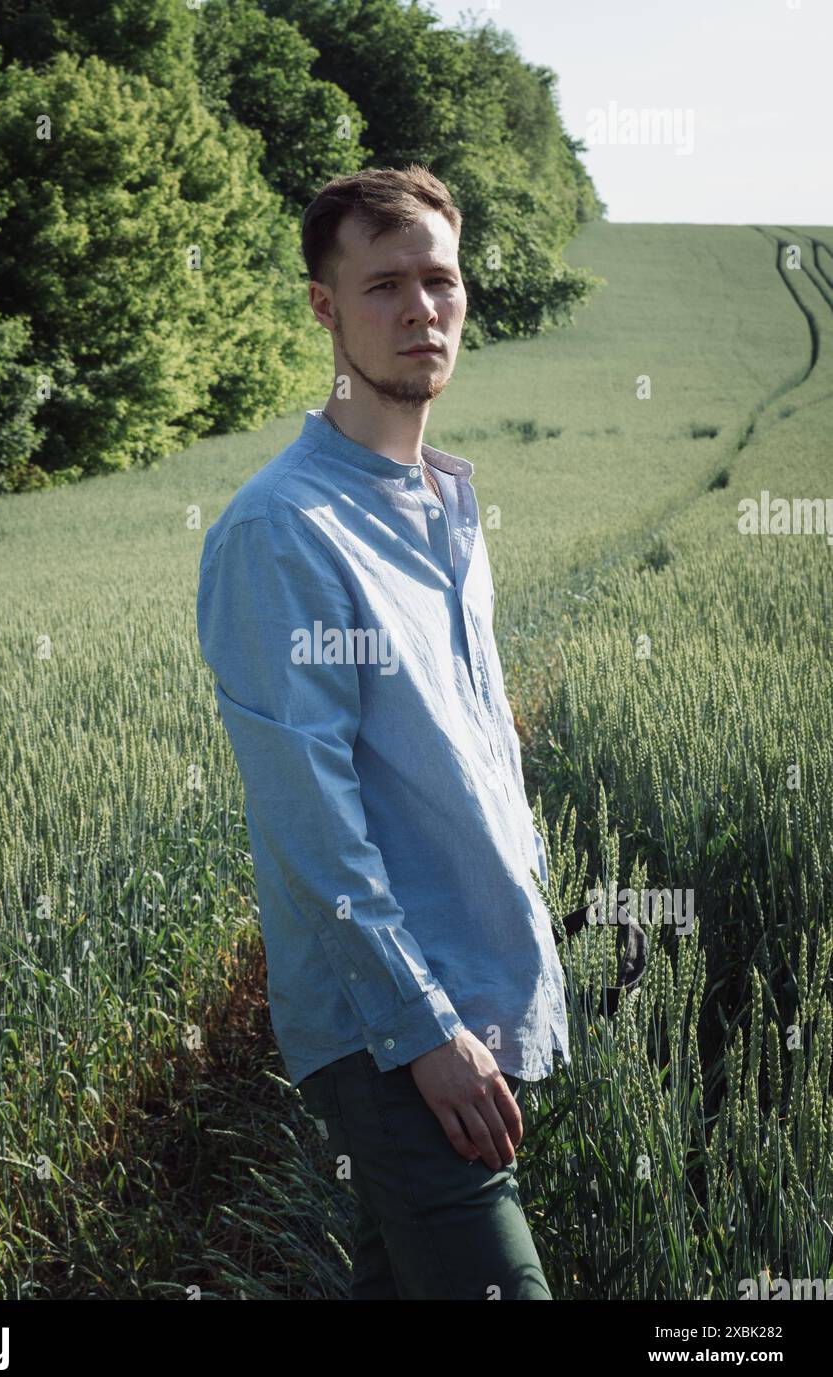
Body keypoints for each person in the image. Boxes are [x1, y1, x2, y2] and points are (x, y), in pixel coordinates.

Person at [196, 164, 570, 1300]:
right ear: (325, 308)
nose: (422, 310)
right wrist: (425, 1032)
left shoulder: (449, 500)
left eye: (441, 281)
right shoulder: (285, 530)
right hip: (396, 1031)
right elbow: (314, 826)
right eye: (384, 286)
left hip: (485, 997)